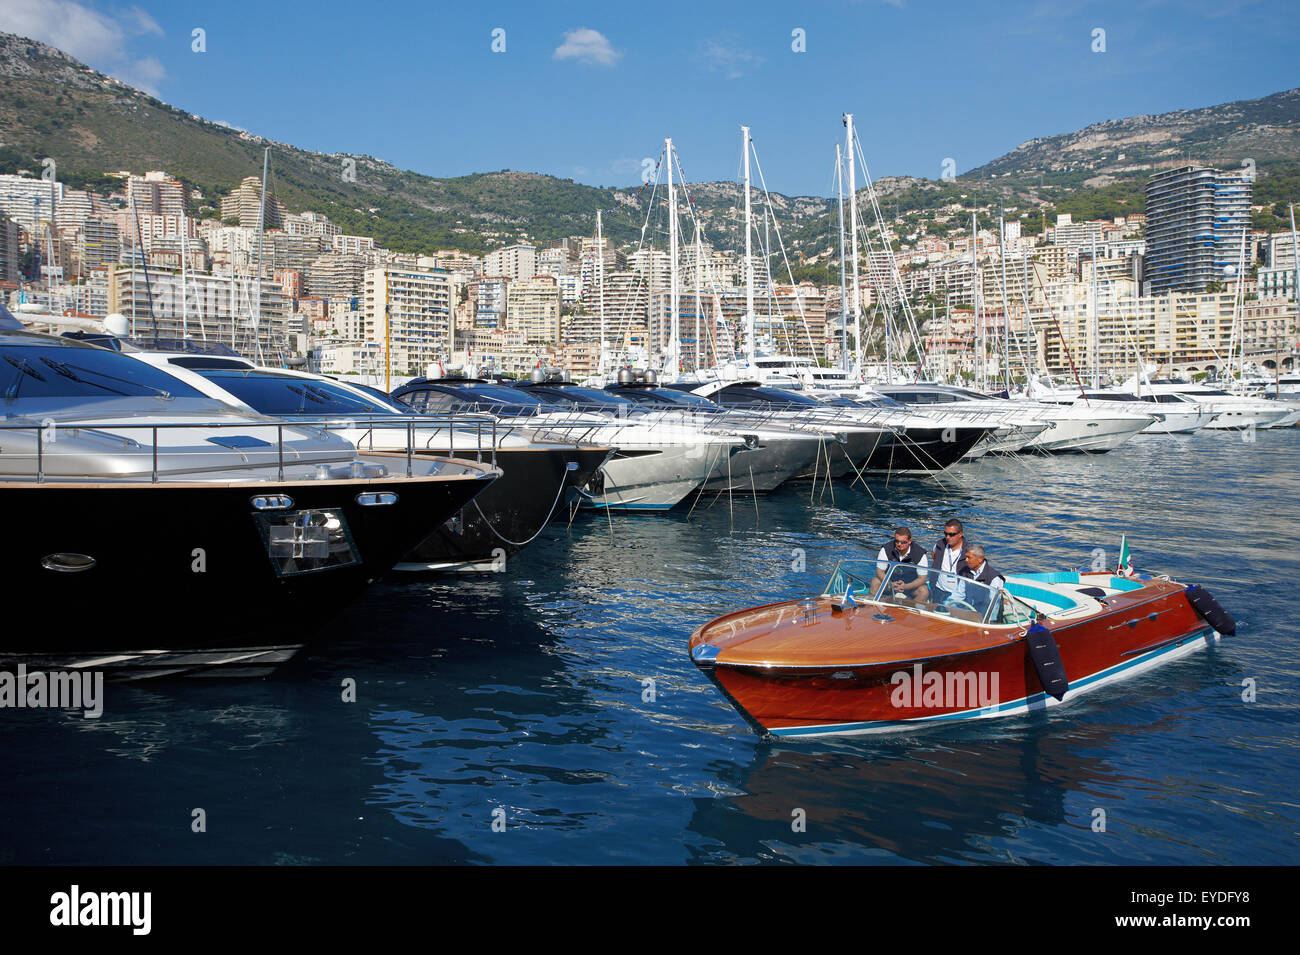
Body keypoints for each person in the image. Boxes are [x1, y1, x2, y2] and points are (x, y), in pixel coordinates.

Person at [872, 526, 930, 602]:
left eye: (903, 542)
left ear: (910, 541)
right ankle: (874, 607)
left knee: (924, 591)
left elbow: (922, 578)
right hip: (890, 583)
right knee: (875, 582)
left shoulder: (920, 553)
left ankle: (912, 611)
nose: (899, 544)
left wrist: (906, 586)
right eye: (897, 541)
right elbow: (880, 571)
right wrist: (890, 583)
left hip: (910, 585)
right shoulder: (886, 549)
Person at [956, 544, 1005, 616]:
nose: (966, 560)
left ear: (980, 559)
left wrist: (990, 622)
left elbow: (994, 605)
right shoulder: (966, 572)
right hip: (967, 614)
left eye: (969, 557)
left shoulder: (994, 578)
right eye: (966, 557)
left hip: (984, 618)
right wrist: (946, 606)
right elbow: (958, 594)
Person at [930, 518, 968, 604]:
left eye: (951, 534)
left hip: (957, 594)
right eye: (945, 534)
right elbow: (933, 555)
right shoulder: (939, 545)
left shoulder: (968, 550)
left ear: (961, 534)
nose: (947, 537)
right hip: (938, 590)